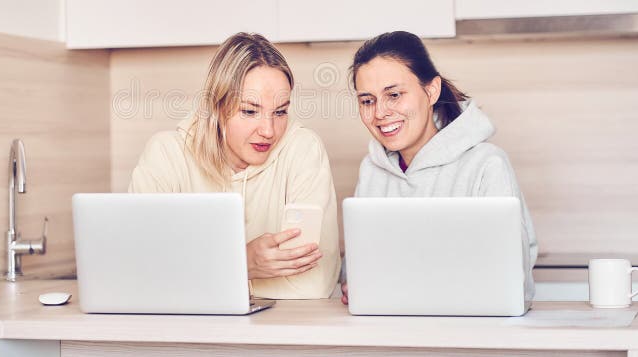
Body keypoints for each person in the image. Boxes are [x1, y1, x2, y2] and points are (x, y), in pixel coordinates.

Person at [130, 32, 341, 299]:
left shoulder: (303, 149)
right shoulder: (166, 155)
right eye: (250, 111)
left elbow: (316, 283)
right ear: (216, 108)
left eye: (280, 112)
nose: (269, 131)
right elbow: (140, 273)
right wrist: (242, 263)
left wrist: (200, 275)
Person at [341, 31, 537, 304]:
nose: (379, 113)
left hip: (471, 326)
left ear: (431, 91)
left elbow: (515, 282)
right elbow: (354, 271)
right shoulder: (371, 170)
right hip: (388, 324)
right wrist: (352, 285)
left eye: (394, 95)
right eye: (367, 101)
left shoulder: (487, 165)